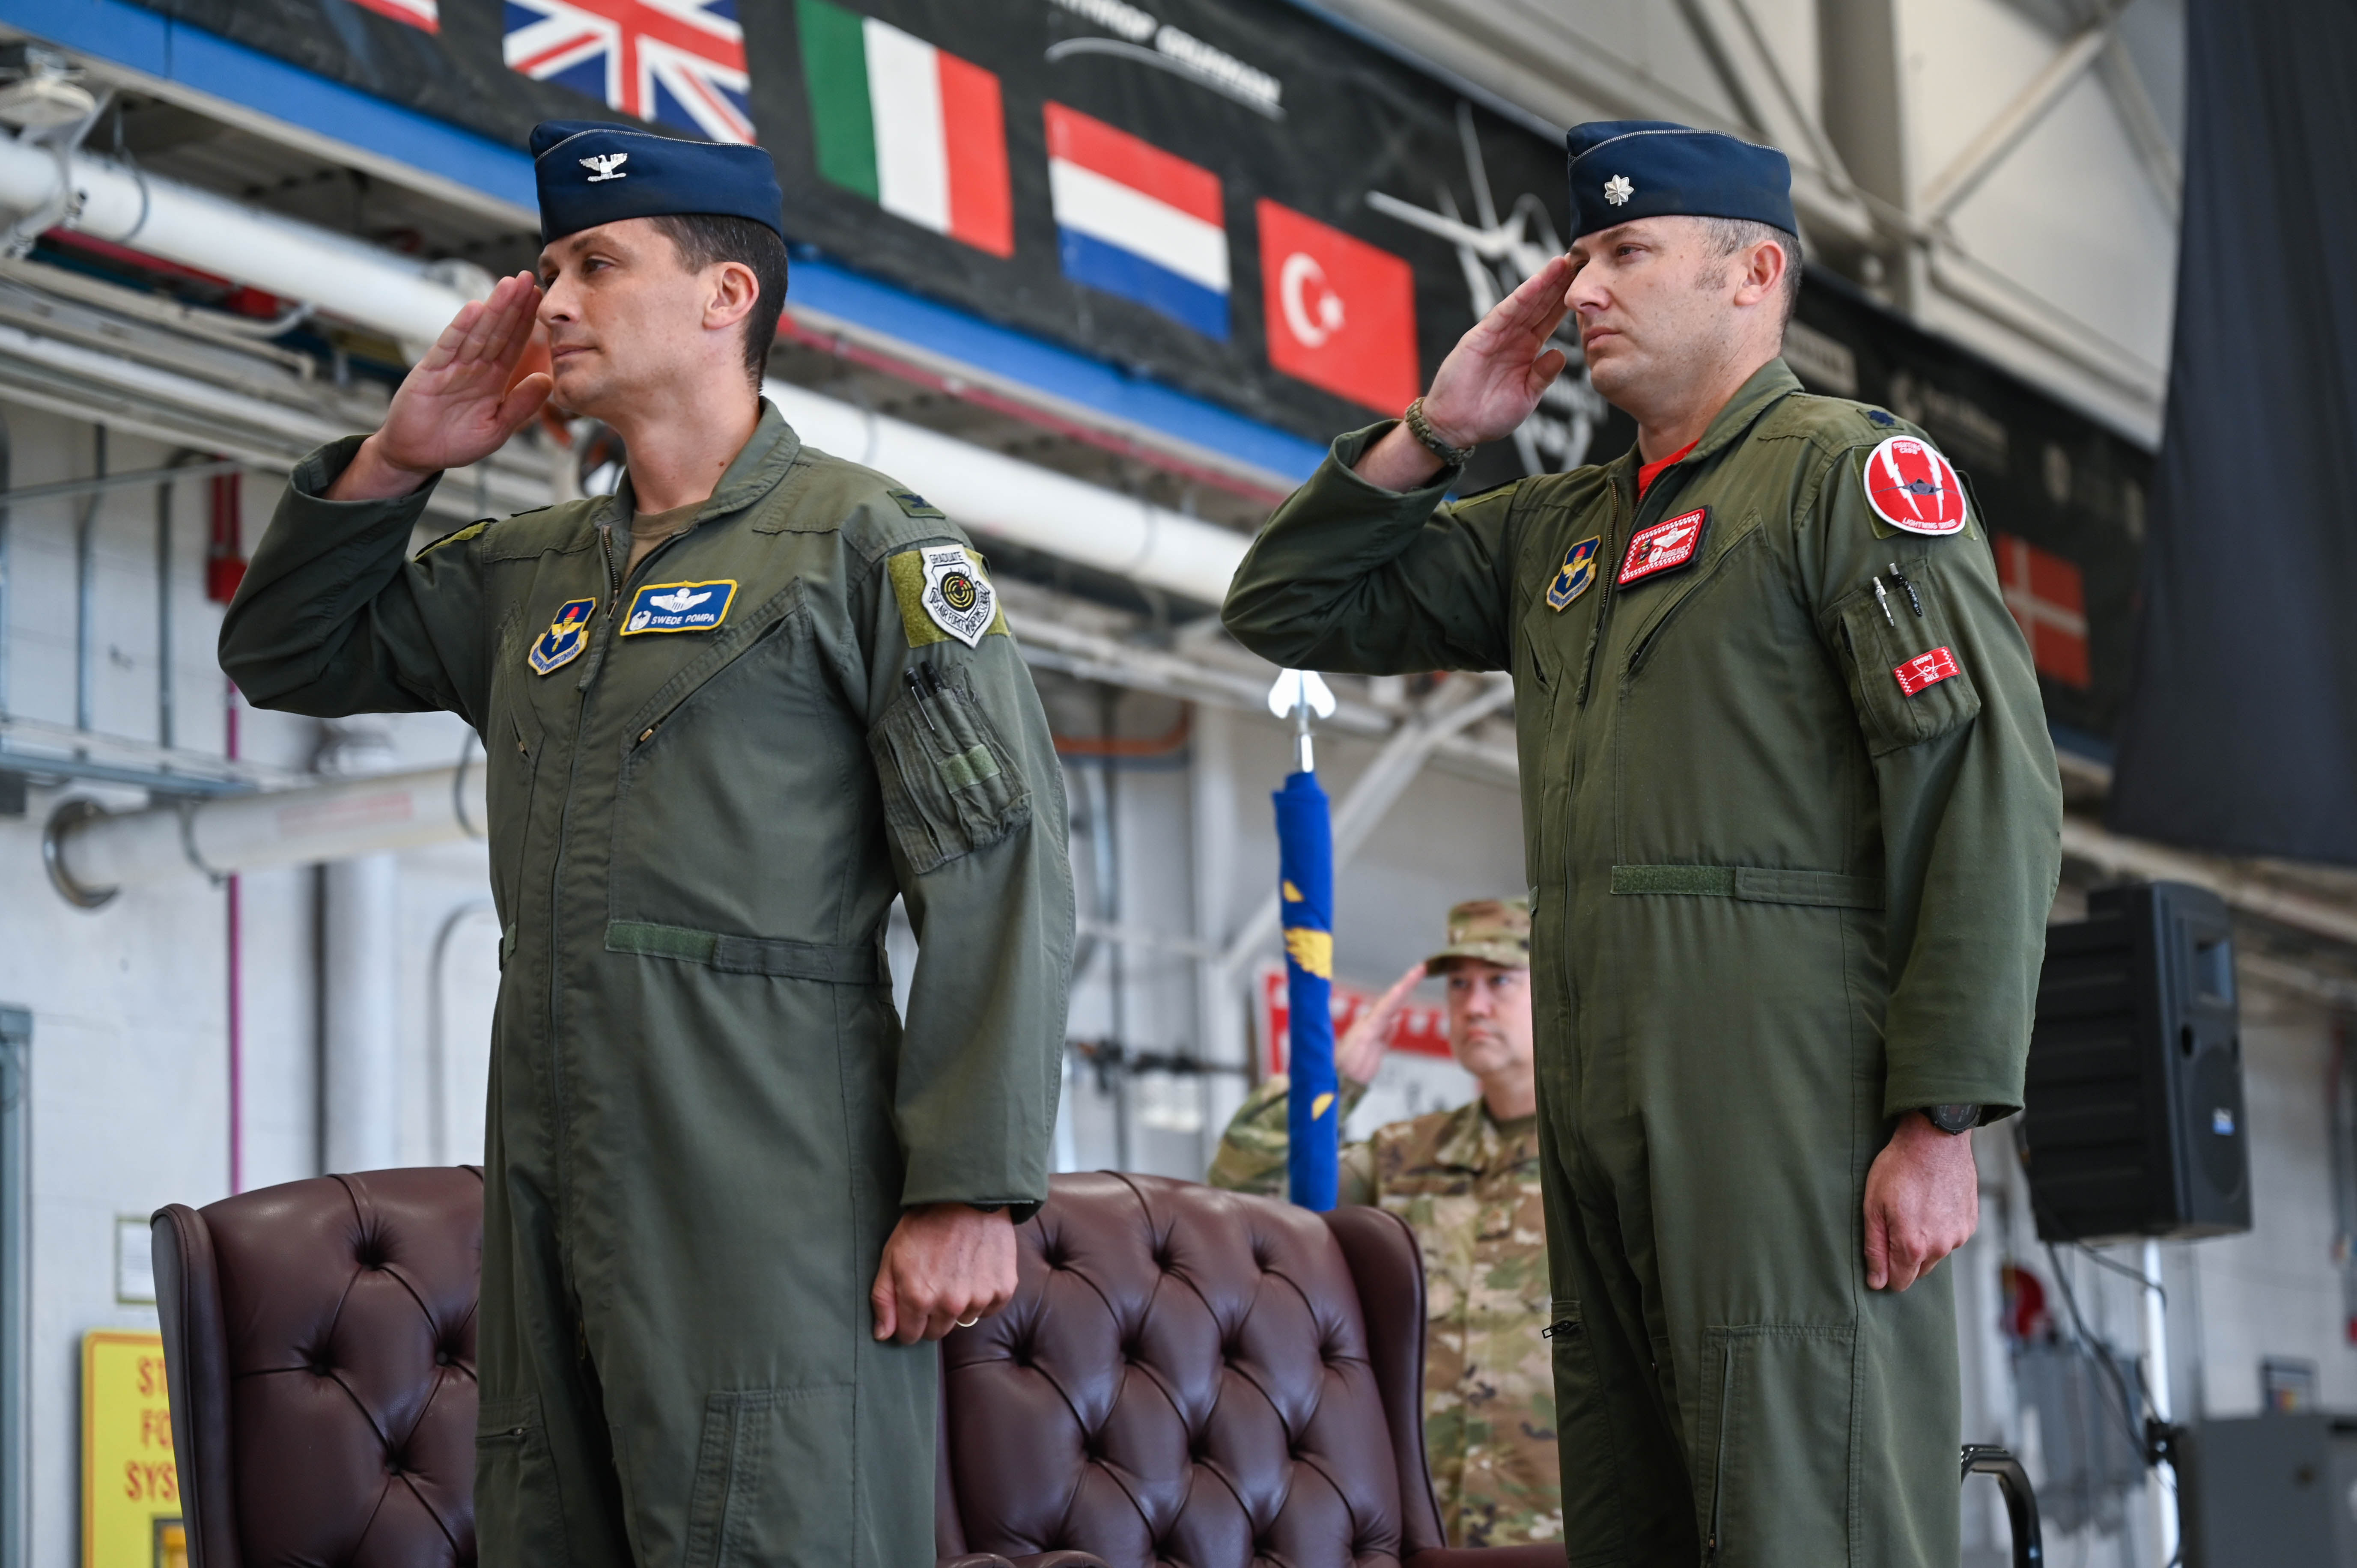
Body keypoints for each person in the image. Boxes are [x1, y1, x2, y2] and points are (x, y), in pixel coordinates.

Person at [218, 122, 1073, 1568]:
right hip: (551, 1168)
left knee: (772, 1520)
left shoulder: (866, 550)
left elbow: (998, 861)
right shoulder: (528, 572)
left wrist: (969, 1185)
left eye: (595, 264)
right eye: (549, 266)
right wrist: (398, 455)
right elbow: (289, 648)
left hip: (772, 1173)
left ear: (725, 297)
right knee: (554, 1522)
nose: (548, 301)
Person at [1222, 119, 2062, 1566]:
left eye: (1622, 252)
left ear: (1752, 274)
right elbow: (1287, 606)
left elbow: (1981, 785)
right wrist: (1436, 428)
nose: (1581, 289)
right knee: (1635, 1518)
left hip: (1781, 1096)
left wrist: (1940, 1115)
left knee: (1814, 1507)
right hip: (1599, 1108)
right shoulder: (1557, 529)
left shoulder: (1837, 483)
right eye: (1580, 254)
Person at [1208, 897, 1558, 1550]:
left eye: (1499, 981)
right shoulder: (1403, 1158)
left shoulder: (1600, 1160)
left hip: (1563, 1529)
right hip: (1417, 1525)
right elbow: (1245, 1203)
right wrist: (1331, 1083)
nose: (1473, 1006)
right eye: (1458, 985)